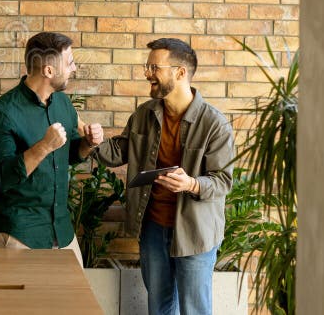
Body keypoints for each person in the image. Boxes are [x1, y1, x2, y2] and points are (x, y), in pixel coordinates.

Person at [87, 38, 234, 315]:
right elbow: (119, 151)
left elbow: (223, 180)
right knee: (159, 307)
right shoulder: (145, 114)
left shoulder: (214, 124)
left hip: (195, 232)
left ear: (180, 73)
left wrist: (191, 183)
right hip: (153, 227)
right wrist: (92, 140)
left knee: (195, 310)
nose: (146, 73)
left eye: (154, 67)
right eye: (147, 66)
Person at [0, 32, 102, 267]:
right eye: (69, 63)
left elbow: (69, 157)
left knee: (75, 302)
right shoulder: (2, 114)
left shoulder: (63, 104)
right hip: (20, 235)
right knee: (18, 306)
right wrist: (44, 146)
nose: (74, 68)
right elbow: (2, 178)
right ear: (48, 71)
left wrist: (88, 143)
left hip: (62, 232)